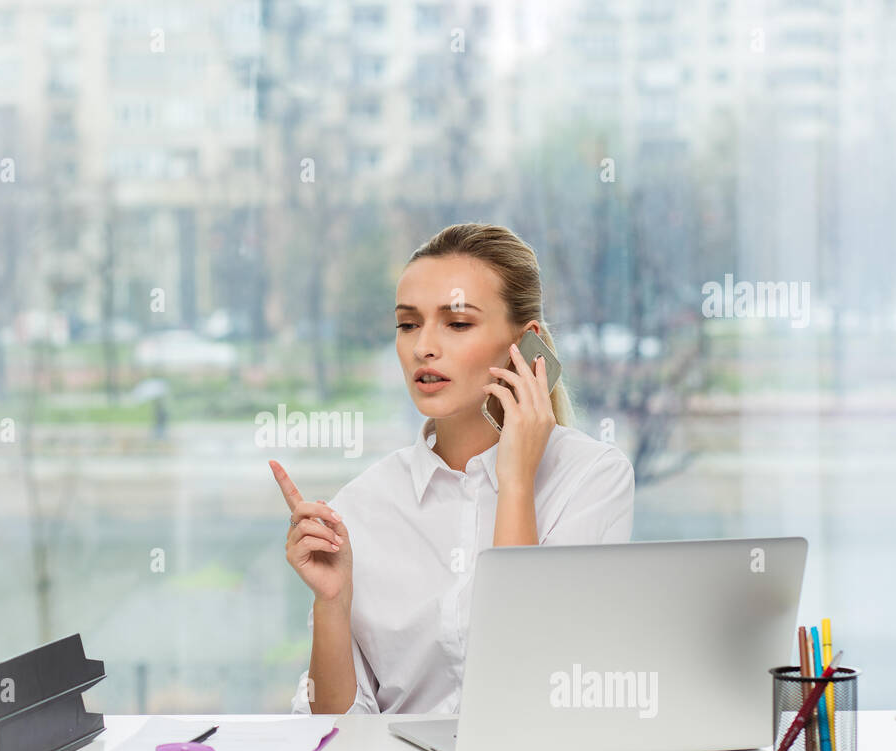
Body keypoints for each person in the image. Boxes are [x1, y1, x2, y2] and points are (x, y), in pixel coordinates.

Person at [270, 223, 635, 715]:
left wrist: (516, 481)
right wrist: (332, 604)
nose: (424, 347)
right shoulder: (361, 507)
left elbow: (531, 684)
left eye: (457, 323)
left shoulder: (592, 479)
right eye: (408, 324)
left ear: (526, 346)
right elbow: (336, 730)